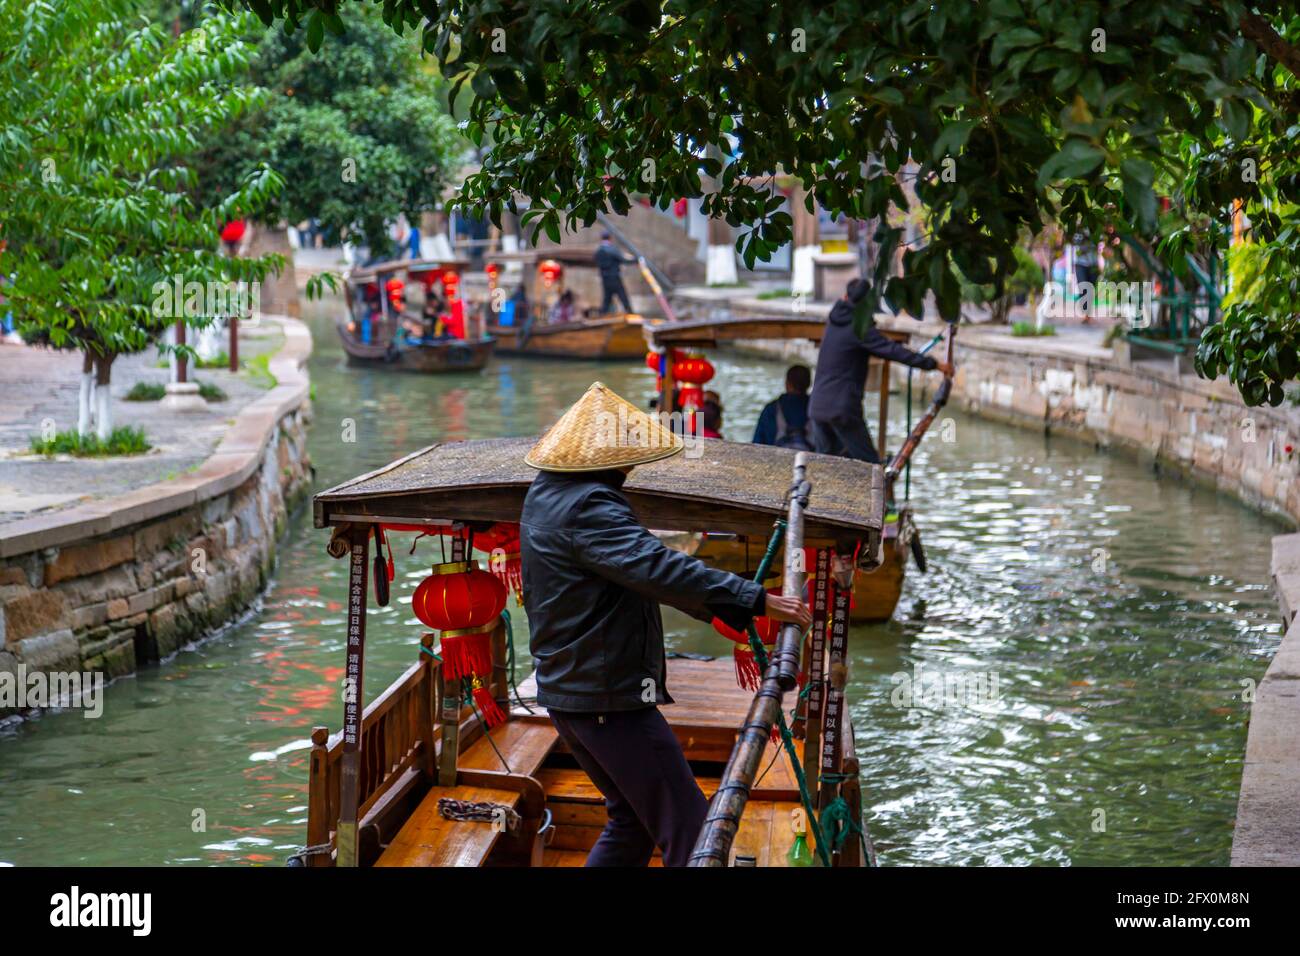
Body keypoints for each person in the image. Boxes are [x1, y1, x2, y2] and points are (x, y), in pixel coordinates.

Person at [520, 382, 811, 867]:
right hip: (603, 697)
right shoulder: (589, 505)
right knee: (693, 830)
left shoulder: (545, 492)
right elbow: (658, 567)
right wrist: (757, 599)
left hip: (570, 690)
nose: (633, 468)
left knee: (631, 821)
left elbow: (642, 568)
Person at [808, 279, 953, 463]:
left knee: (825, 466)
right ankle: (881, 485)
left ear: (845, 297)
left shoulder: (834, 320)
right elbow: (893, 351)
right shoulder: (859, 328)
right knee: (870, 465)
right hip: (841, 408)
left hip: (817, 407)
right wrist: (934, 364)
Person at [753, 364, 812, 449]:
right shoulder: (817, 409)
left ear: (787, 383)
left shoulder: (771, 409)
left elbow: (757, 443)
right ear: (809, 383)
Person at [594, 232, 634, 315]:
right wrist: (636, 260)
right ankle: (631, 314)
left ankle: (601, 316)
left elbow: (597, 262)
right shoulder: (612, 249)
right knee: (623, 297)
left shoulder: (598, 251)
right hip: (614, 278)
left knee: (607, 299)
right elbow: (623, 259)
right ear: (610, 238)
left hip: (605, 279)